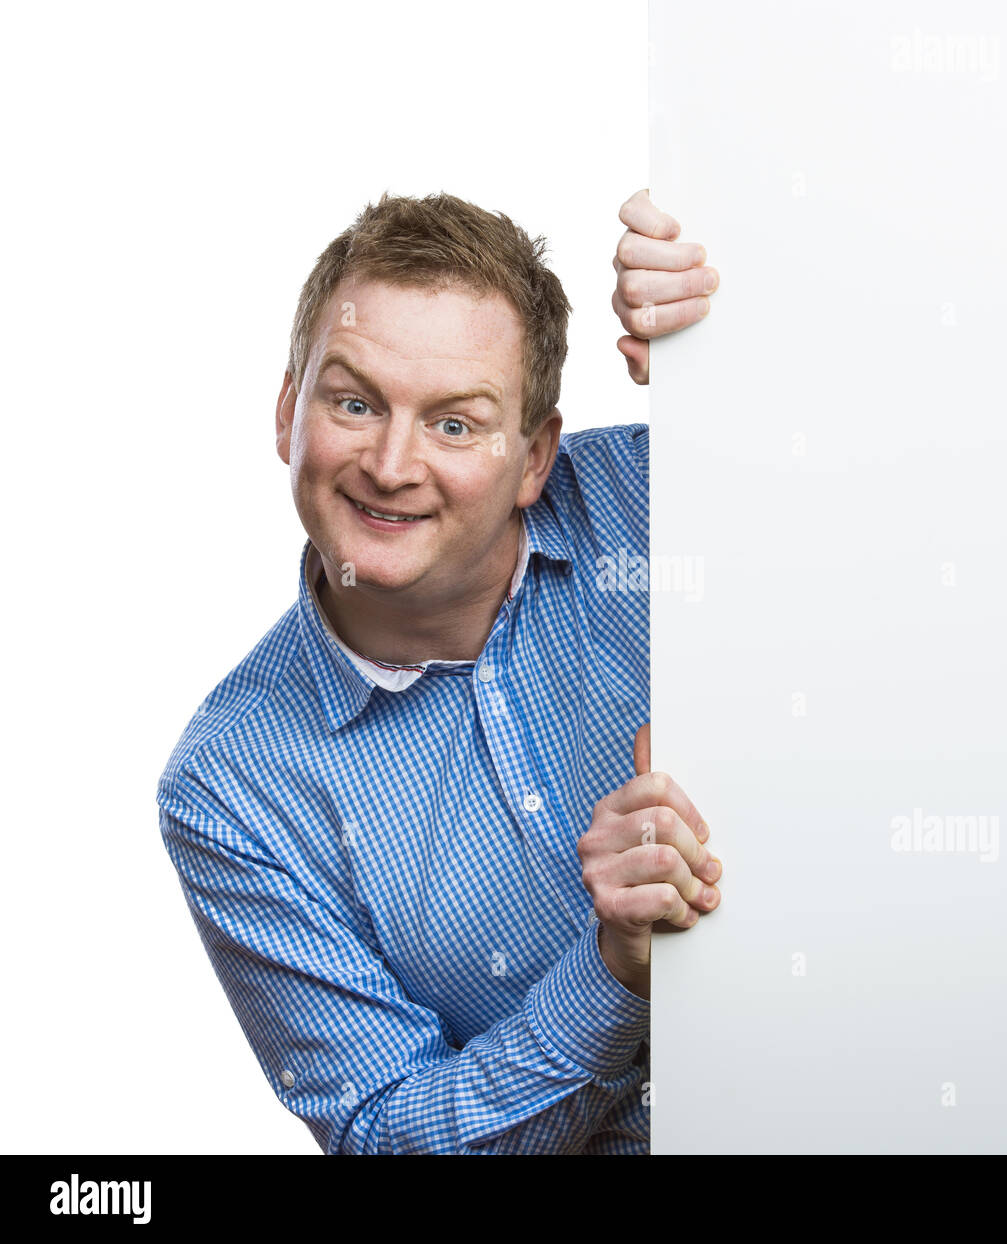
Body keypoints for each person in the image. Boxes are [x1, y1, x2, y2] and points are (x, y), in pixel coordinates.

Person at [156, 188, 722, 1155]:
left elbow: (915, 491)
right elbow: (387, 1138)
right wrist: (615, 973)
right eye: (353, 402)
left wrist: (739, 354)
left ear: (535, 455)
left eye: (455, 424)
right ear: (289, 411)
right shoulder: (232, 787)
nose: (390, 463)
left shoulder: (669, 497)